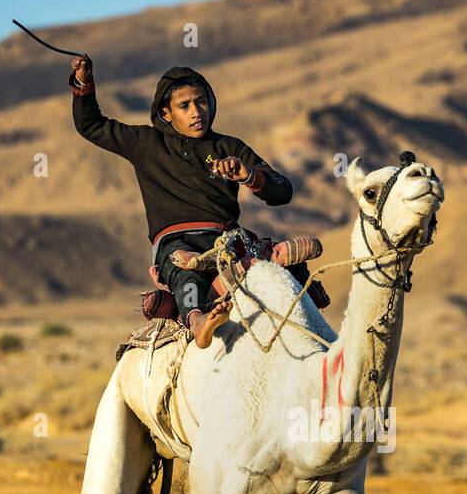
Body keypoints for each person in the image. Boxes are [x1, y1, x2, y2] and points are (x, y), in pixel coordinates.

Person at [70, 58, 319, 348]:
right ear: (166, 113)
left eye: (201, 102)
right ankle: (198, 320)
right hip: (177, 242)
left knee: (281, 269)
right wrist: (83, 83)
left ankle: (280, 285)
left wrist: (249, 175)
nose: (196, 112)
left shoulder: (229, 147)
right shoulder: (145, 143)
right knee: (184, 267)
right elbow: (91, 125)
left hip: (224, 239)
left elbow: (283, 191)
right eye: (184, 106)